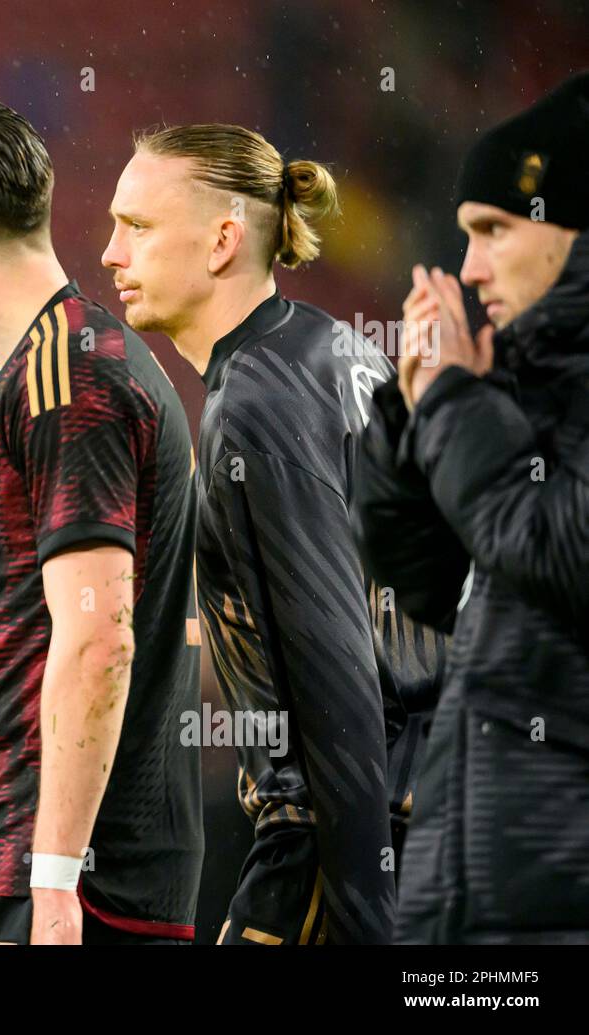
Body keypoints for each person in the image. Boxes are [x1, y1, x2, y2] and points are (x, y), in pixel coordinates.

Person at [103, 123, 446, 944]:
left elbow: (340, 683)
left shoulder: (255, 406)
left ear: (224, 239)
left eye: (138, 227)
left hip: (343, 843)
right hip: (434, 812)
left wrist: (367, 915)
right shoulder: (335, 348)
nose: (112, 253)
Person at [0, 96, 202, 945]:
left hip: (71, 888)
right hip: (31, 867)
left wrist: (54, 875)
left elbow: (100, 637)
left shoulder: (69, 380)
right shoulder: (52, 365)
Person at [352, 71, 589, 944]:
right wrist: (408, 415)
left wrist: (452, 401)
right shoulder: (525, 378)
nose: (470, 267)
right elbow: (424, 576)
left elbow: (561, 548)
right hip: (474, 907)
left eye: (493, 230)